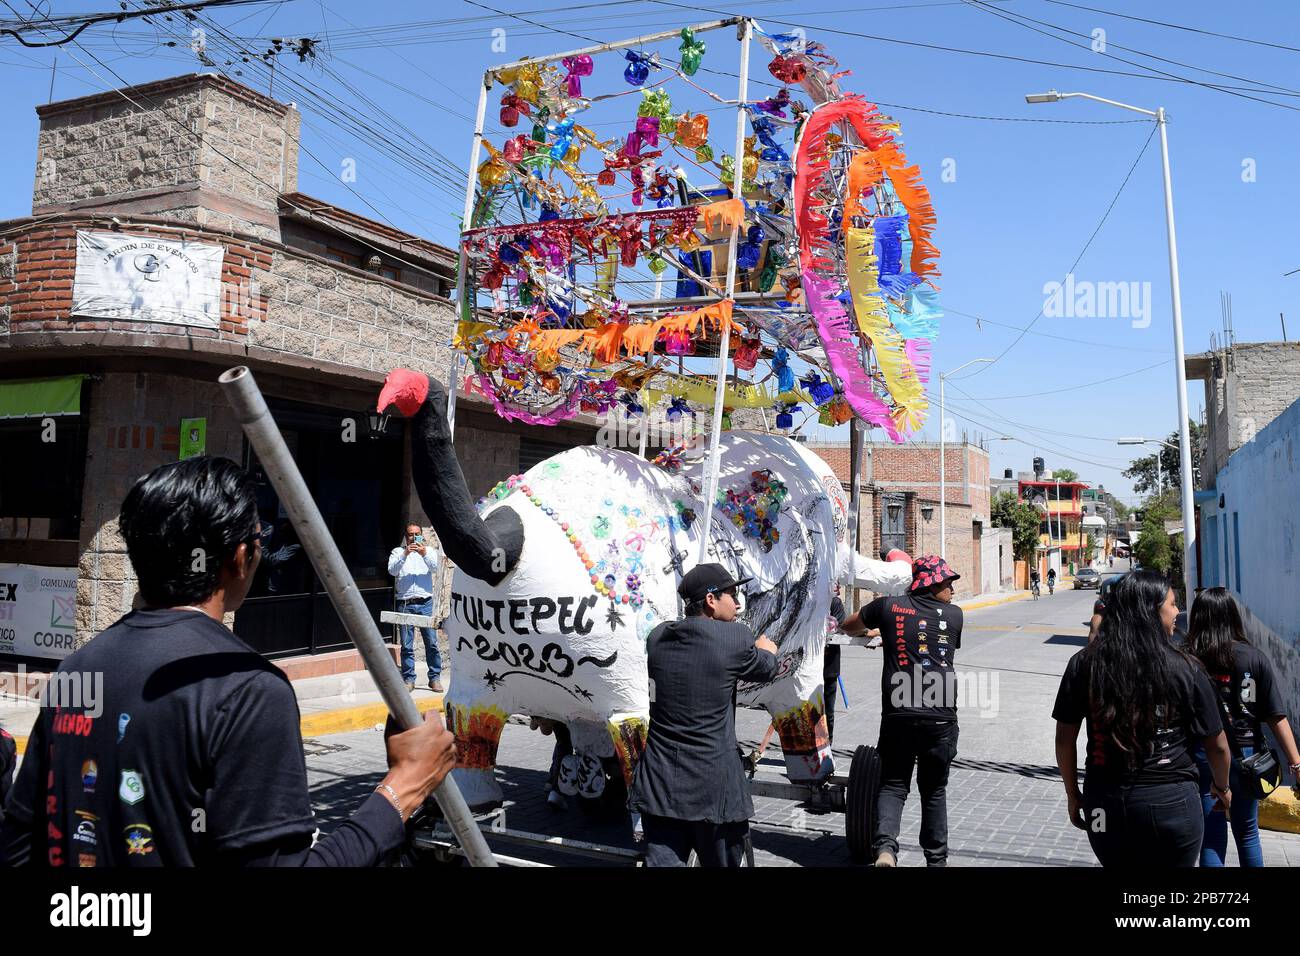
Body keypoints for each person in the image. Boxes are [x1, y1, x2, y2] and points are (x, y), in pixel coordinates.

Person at [1, 457, 456, 867]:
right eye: (258, 539)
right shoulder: (248, 689)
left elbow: (21, 840)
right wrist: (404, 787)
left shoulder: (77, 668)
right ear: (241, 557)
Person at [1053, 569, 1233, 867]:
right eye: (1172, 604)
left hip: (1103, 806)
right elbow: (1217, 746)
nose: (1178, 612)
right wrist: (1222, 787)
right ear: (1151, 610)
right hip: (1174, 808)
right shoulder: (1187, 668)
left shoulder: (1083, 663)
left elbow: (1064, 740)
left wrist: (1073, 795)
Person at [629, 563, 778, 867]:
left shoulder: (656, 638)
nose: (737, 603)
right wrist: (767, 650)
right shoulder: (734, 637)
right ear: (711, 600)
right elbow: (766, 669)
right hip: (714, 790)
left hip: (660, 786)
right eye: (732, 594)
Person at [839, 555, 964, 867]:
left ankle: (885, 850)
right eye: (947, 581)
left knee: (894, 785)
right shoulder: (954, 614)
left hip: (899, 713)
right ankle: (936, 862)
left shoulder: (888, 606)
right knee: (934, 791)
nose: (951, 587)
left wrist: (877, 634)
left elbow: (849, 626)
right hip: (940, 716)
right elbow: (936, 645)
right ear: (931, 583)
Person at [1185, 588, 1300, 867]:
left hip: (1204, 754)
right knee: (1248, 832)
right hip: (1248, 756)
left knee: (1211, 835)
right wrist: (1295, 763)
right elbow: (1276, 716)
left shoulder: (1188, 659)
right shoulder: (1254, 658)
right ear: (1232, 617)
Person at [388, 524, 444, 693]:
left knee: (432, 643)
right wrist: (405, 554)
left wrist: (424, 553)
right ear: (406, 537)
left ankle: (434, 679)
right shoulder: (397, 552)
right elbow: (392, 571)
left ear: (422, 535)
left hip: (425, 603)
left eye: (417, 534)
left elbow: (436, 568)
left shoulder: (430, 552)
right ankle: (409, 679)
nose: (413, 538)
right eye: (410, 535)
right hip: (405, 603)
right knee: (406, 645)